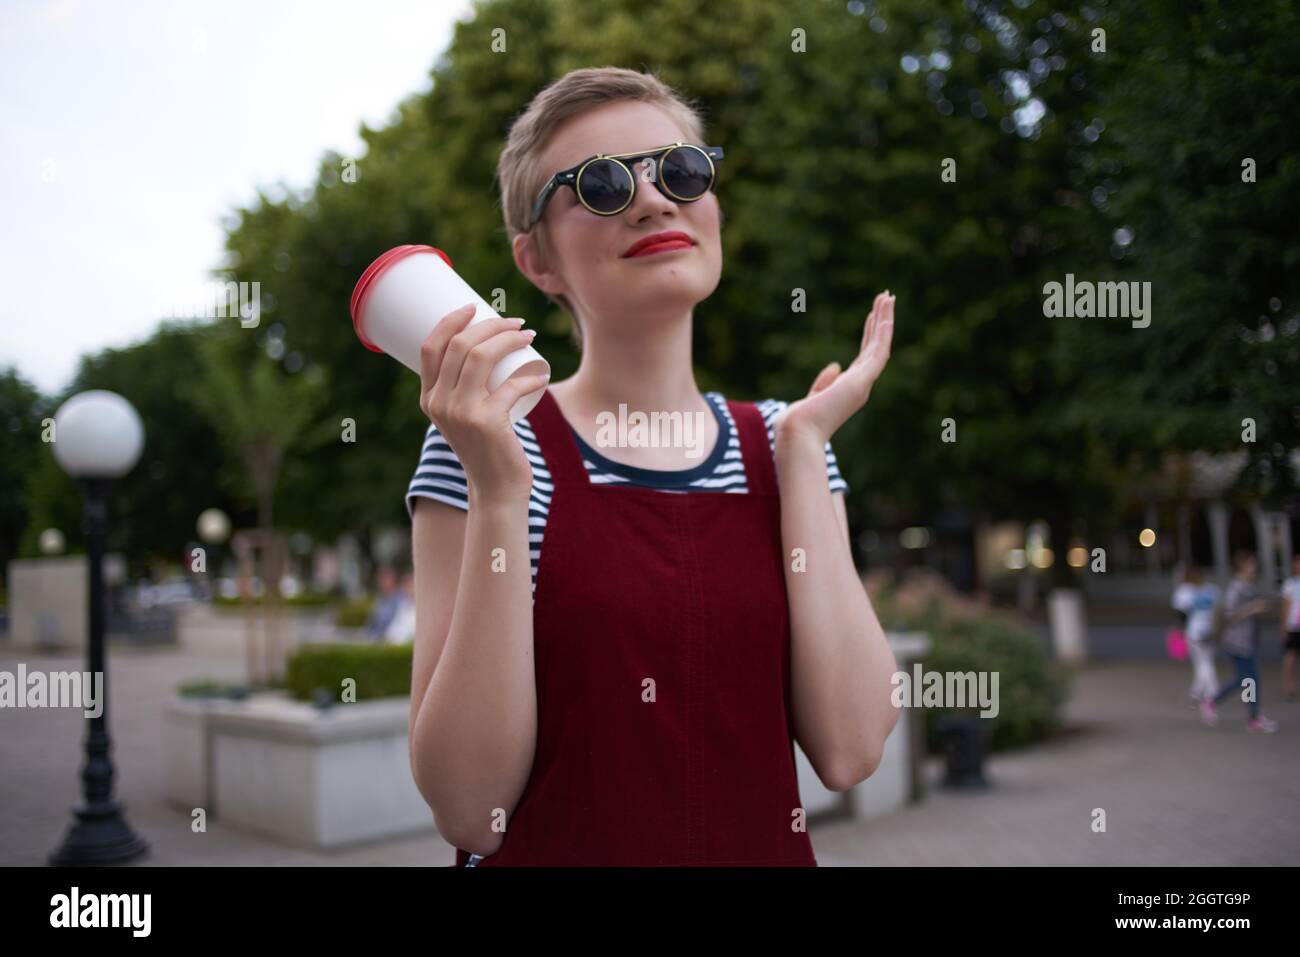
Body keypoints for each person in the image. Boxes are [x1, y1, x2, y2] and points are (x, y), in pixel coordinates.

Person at [404, 67, 901, 866]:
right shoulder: (488, 440)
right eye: (598, 185)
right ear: (536, 260)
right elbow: (471, 808)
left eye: (682, 170)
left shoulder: (788, 440)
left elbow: (849, 751)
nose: (654, 199)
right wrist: (500, 492)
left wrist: (805, 454)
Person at [1203, 551, 1278, 732]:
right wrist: (1252, 608)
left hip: (1246, 642)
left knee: (1247, 680)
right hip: (1237, 643)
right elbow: (1230, 615)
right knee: (1248, 680)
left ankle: (1250, 715)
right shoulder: (1236, 589)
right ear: (1242, 568)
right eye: (1251, 565)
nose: (1254, 569)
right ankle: (1221, 704)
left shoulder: (1247, 587)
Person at [1172, 563, 1219, 706]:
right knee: (1206, 661)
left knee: (1203, 663)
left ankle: (1212, 692)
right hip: (1211, 630)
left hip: (1194, 631)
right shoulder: (1212, 589)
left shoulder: (1184, 591)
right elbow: (1220, 610)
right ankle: (1196, 693)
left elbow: (1180, 613)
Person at [364, 566, 403, 642]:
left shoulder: (401, 598)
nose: (383, 581)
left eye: (386, 578)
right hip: (374, 639)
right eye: (381, 578)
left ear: (393, 579)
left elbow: (399, 624)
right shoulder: (379, 599)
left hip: (389, 640)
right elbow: (371, 622)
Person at [1281, 553, 1300, 701]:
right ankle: (1288, 686)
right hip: (1294, 626)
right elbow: (1286, 607)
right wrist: (1284, 626)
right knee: (1290, 656)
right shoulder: (1290, 584)